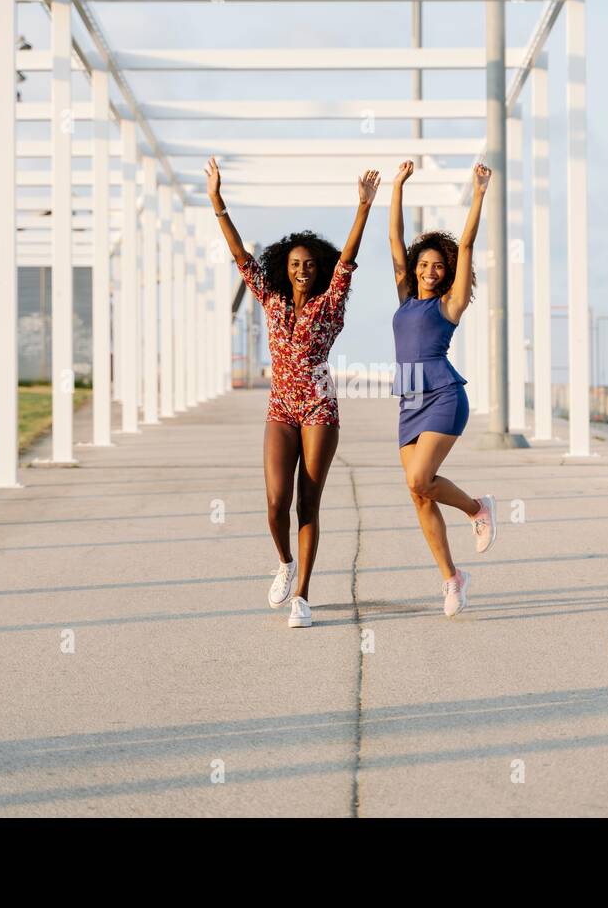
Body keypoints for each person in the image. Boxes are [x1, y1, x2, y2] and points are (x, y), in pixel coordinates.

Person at [205, 157, 380, 628]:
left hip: (320, 406)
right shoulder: (271, 298)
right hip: (281, 405)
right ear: (285, 268)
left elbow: (347, 259)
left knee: (308, 501)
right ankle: (285, 563)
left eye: (309, 265)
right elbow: (241, 255)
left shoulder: (330, 300)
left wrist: (362, 207)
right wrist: (217, 201)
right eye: (295, 264)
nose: (302, 270)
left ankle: (302, 595)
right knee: (275, 501)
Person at [388, 160, 496, 617]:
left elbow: (467, 242)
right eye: (424, 264)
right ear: (415, 268)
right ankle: (453, 579)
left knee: (419, 478)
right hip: (409, 397)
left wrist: (479, 193)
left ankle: (476, 508)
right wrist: (396, 188)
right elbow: (394, 241)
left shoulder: (450, 305)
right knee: (419, 493)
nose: (430, 271)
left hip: (443, 395)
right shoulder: (405, 296)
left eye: (438, 266)